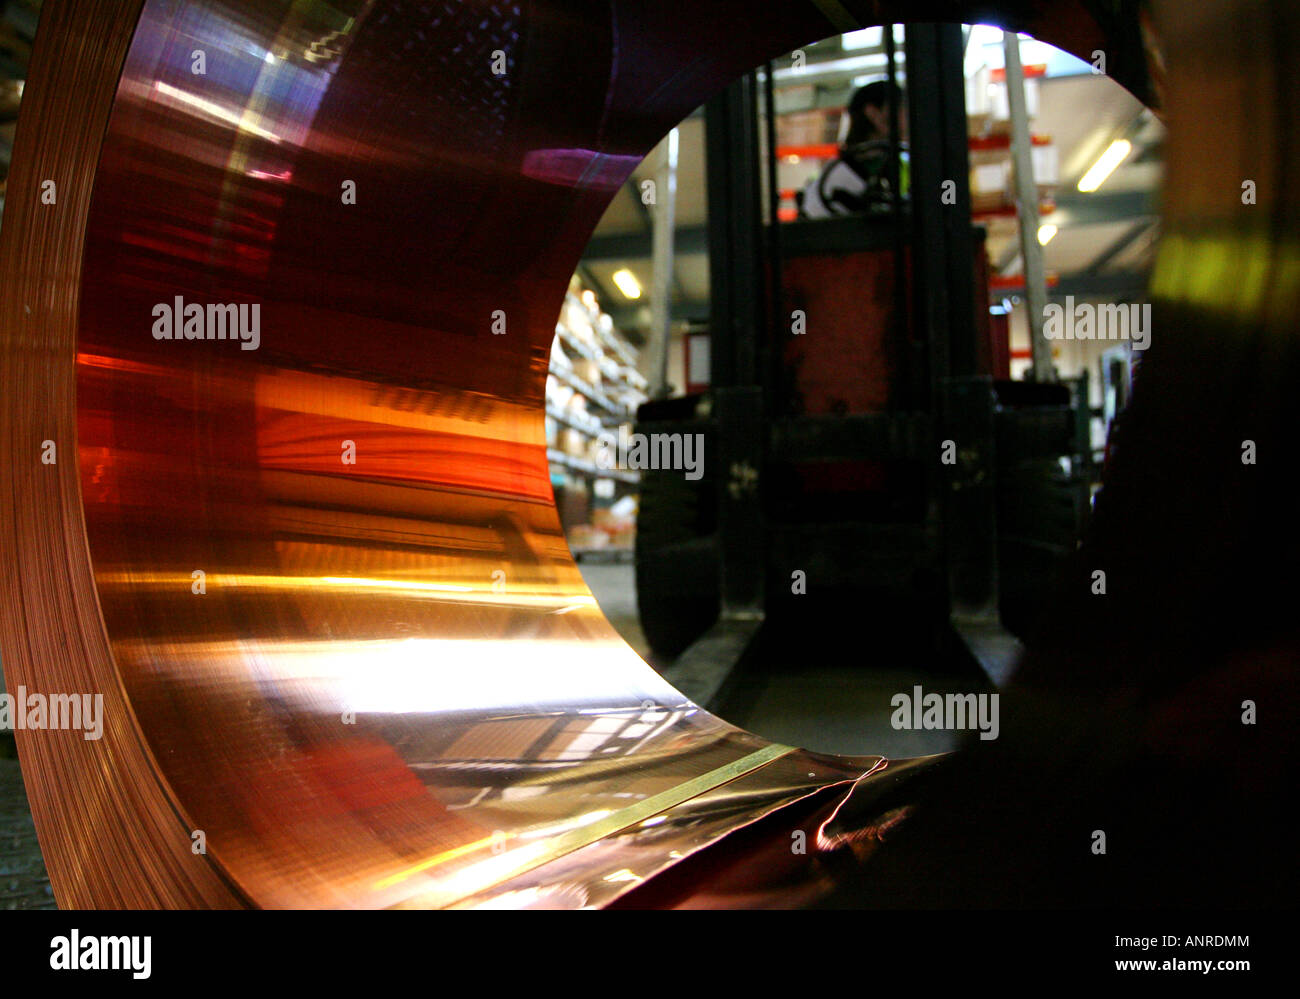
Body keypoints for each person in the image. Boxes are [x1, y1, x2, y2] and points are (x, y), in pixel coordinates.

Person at [799, 80, 908, 219]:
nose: (906, 117)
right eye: (901, 109)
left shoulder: (890, 164)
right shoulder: (840, 176)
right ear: (873, 113)